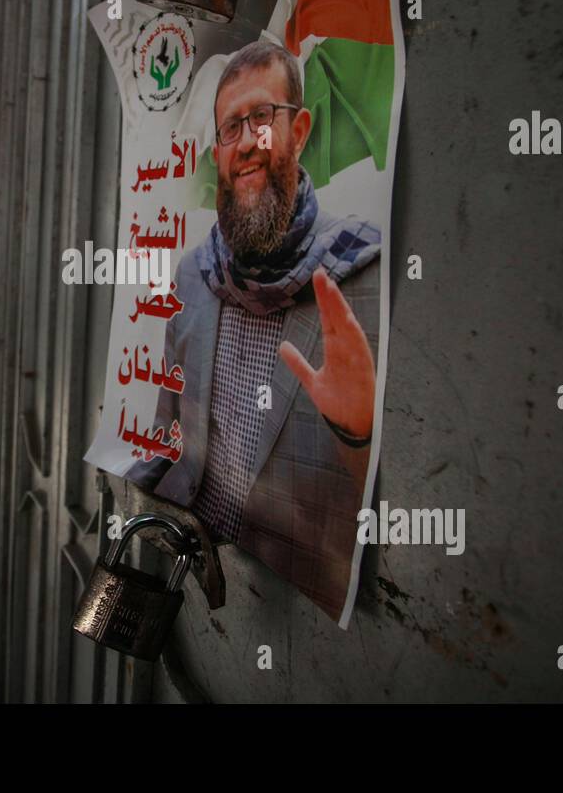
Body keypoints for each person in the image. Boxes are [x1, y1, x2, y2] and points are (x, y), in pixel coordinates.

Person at [128, 39, 382, 619]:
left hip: (303, 628)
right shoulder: (193, 274)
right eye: (230, 128)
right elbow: (168, 440)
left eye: (263, 118)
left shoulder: (364, 278)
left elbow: (388, 508)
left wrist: (357, 436)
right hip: (195, 592)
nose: (246, 143)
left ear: (300, 130)